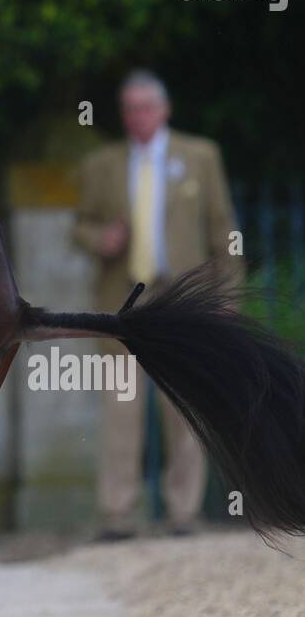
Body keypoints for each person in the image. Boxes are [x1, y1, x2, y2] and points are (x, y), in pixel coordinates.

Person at [72, 70, 238, 540]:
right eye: (130, 108)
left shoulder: (201, 156)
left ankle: (183, 512)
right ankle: (117, 513)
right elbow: (78, 226)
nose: (138, 116)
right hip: (122, 300)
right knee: (121, 408)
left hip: (182, 299)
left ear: (164, 110)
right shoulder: (102, 163)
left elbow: (224, 228)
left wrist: (224, 294)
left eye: (146, 107)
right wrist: (99, 238)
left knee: (183, 405)